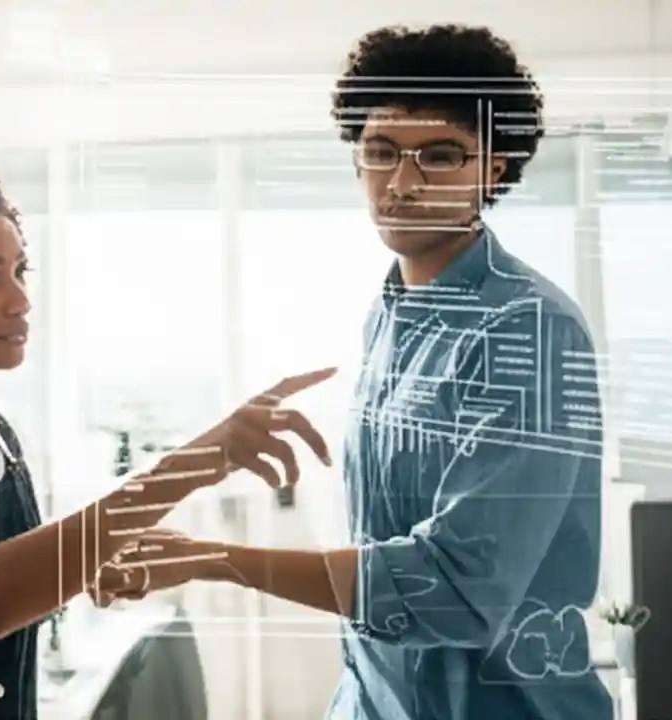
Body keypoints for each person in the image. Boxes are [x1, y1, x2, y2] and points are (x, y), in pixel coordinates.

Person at [111, 24, 613, 720]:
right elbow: (379, 578)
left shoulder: (528, 330)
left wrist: (212, 557)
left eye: (438, 156)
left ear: (493, 167)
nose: (401, 183)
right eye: (380, 152)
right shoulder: (388, 318)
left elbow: (454, 591)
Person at [0, 151, 335, 719]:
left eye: (20, 272)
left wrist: (85, 572)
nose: (20, 301)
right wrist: (196, 463)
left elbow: (17, 581)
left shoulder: (3, 443)